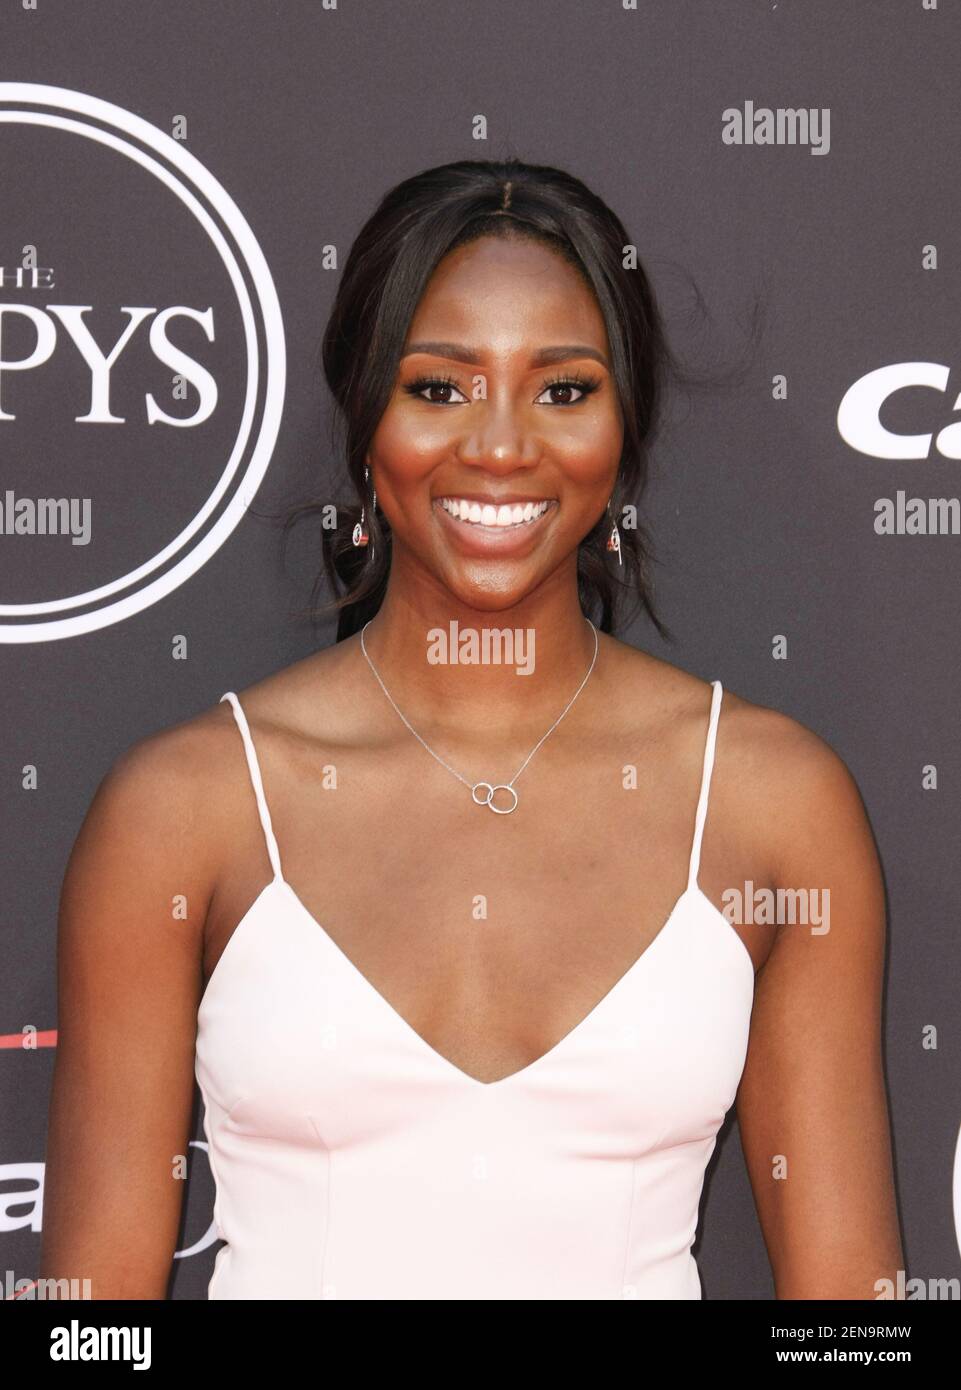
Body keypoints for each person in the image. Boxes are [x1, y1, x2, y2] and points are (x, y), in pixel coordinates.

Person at [39, 158, 902, 1299]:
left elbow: (849, 1313)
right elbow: (89, 1319)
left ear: (624, 425)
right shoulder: (184, 806)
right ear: (364, 419)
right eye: (438, 387)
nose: (500, 447)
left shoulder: (768, 801)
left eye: (562, 389)